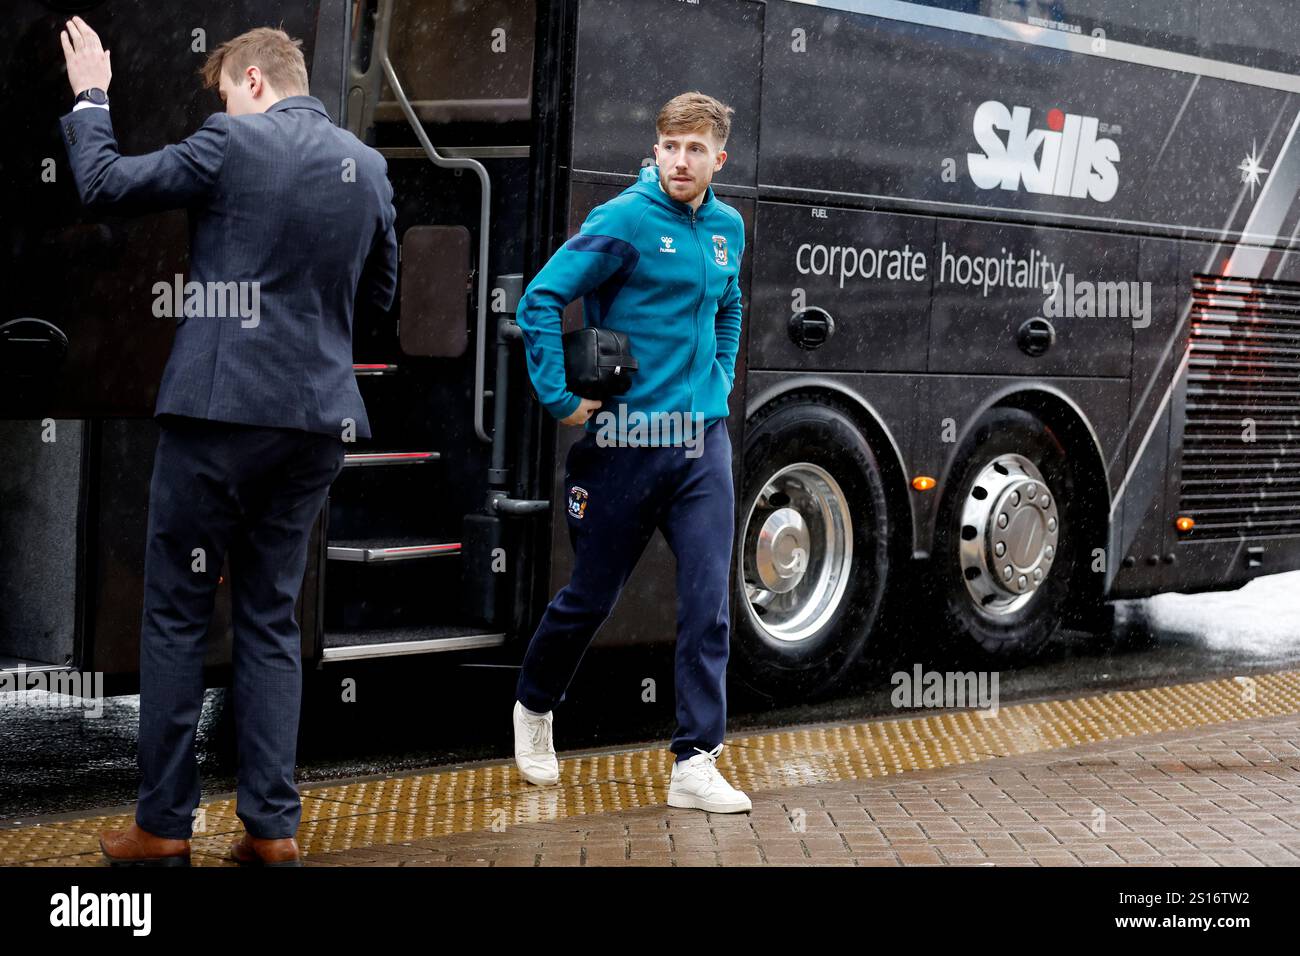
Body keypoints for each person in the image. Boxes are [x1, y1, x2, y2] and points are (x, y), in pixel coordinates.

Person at [57, 18, 398, 865]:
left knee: (176, 613)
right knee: (270, 619)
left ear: (252, 80)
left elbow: (101, 184)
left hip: (218, 416)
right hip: (316, 421)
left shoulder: (230, 144)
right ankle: (272, 831)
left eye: (224, 96)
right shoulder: (371, 170)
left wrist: (93, 95)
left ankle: (164, 828)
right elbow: (381, 294)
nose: (225, 109)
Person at [512, 91, 750, 813]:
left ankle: (695, 762)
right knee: (592, 597)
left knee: (709, 601)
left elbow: (731, 301)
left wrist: (722, 375)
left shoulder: (727, 228)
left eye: (695, 150)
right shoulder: (623, 220)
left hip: (702, 442)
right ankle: (534, 706)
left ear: (718, 158)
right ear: (656, 150)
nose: (680, 161)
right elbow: (542, 299)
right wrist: (558, 398)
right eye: (669, 146)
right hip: (626, 441)